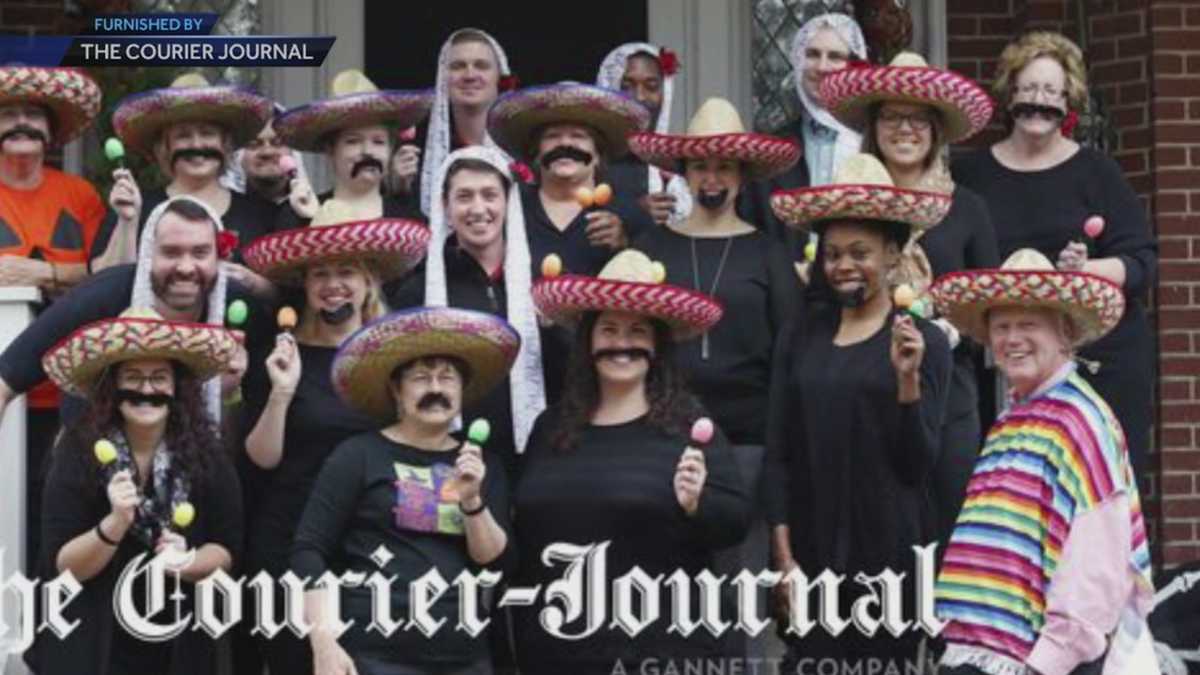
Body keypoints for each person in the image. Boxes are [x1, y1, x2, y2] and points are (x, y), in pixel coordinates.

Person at [515, 248, 748, 673]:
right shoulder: (551, 426)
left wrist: (699, 503)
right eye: (608, 329)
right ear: (588, 342)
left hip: (661, 650)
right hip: (557, 650)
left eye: (637, 330)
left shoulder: (690, 426)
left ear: (657, 345)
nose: (621, 343)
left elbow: (733, 523)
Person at [766, 153, 953, 668]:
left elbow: (918, 465)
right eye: (831, 254)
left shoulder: (924, 341)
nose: (843, 265)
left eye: (860, 252)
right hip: (811, 553)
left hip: (889, 559)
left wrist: (908, 379)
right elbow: (779, 452)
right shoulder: (799, 337)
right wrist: (783, 559)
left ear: (893, 253)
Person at [929, 249, 1155, 675]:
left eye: (1028, 324)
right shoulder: (1015, 417)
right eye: (1001, 326)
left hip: (1035, 663)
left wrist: (1049, 661)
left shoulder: (1080, 422)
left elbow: (1095, 564)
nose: (1011, 339)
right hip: (981, 650)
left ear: (1064, 334)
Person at [629, 97, 799, 654]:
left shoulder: (770, 252)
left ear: (741, 175)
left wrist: (779, 450)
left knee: (739, 598)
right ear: (684, 174)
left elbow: (788, 356)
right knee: (666, 597)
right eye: (701, 166)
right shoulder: (654, 245)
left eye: (724, 167)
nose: (712, 177)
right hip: (663, 440)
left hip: (746, 446)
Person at [951, 32, 1157, 481]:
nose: (1038, 101)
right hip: (1003, 359)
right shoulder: (969, 174)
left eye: (1051, 91)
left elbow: (1142, 262)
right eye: (1028, 89)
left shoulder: (1097, 171)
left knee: (1096, 487)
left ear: (1069, 101)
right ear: (1010, 94)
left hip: (1099, 361)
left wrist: (1084, 271)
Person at [237, 198, 428, 674]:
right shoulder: (279, 355)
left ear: (369, 280)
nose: (332, 284)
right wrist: (282, 392)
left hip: (371, 542)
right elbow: (261, 458)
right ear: (305, 284)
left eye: (346, 271)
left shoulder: (393, 361)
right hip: (288, 539)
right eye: (320, 273)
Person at [820, 50, 1000, 545]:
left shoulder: (969, 209)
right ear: (874, 127)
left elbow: (992, 310)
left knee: (950, 532)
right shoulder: (847, 203)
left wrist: (948, 330)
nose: (905, 129)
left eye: (918, 118)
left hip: (949, 396)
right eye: (893, 117)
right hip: (864, 384)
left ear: (936, 130)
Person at [293, 306, 518, 675]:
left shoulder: (480, 463)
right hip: (372, 653)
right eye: (420, 378)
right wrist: (323, 643)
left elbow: (496, 563)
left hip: (463, 655)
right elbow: (308, 551)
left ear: (462, 390)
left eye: (447, 378)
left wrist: (473, 500)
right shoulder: (358, 455)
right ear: (396, 390)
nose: (435, 388)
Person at [32, 307, 243, 675]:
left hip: (178, 645)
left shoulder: (208, 451)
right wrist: (114, 524)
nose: (147, 389)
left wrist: (187, 562)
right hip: (90, 645)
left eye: (159, 377)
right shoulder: (77, 450)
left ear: (177, 387)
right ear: (112, 388)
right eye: (133, 376)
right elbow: (62, 567)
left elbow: (226, 551)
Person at [0, 195, 269, 428]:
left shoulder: (240, 308)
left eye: (200, 253)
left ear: (220, 257)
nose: (186, 267)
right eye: (171, 252)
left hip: (195, 462)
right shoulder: (102, 297)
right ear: (147, 256)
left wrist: (230, 394)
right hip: (92, 461)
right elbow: (5, 380)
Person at [0, 64, 105, 573]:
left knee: (52, 515)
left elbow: (103, 277)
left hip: (64, 389)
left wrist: (36, 269)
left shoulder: (79, 196)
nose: (21, 123)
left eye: (33, 116)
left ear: (51, 131)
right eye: (10, 114)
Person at [391, 146, 545, 470]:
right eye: (464, 197)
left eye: (490, 194)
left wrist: (554, 328)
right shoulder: (419, 291)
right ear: (446, 208)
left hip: (538, 461)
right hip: (448, 462)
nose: (478, 208)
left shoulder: (542, 285)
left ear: (507, 202)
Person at [94, 73, 277, 299]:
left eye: (207, 134)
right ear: (164, 148)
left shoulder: (262, 214)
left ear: (226, 144)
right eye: (183, 136)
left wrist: (252, 282)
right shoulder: (134, 207)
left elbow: (288, 296)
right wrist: (127, 223)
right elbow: (102, 286)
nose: (197, 144)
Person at [487, 82, 654, 277]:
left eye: (578, 136)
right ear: (536, 152)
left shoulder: (628, 214)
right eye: (552, 136)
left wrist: (623, 245)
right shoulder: (511, 207)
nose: (565, 143)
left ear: (598, 154)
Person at [740, 11, 867, 249]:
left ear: (853, 66)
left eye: (835, 56)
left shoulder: (874, 140)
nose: (822, 66)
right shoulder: (772, 151)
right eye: (812, 54)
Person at [274, 69, 432, 230]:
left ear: (390, 150)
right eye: (353, 141)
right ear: (330, 149)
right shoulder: (298, 217)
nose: (367, 151)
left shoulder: (411, 223)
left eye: (378, 142)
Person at [396, 28, 517, 215]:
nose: (469, 75)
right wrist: (400, 190)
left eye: (481, 65)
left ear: (500, 79)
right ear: (442, 78)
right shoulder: (417, 157)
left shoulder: (524, 149)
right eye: (458, 66)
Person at [595, 42, 693, 225]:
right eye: (626, 86)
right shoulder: (592, 161)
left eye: (651, 86)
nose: (639, 97)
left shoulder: (678, 163)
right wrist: (635, 213)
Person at [220, 106, 311, 206]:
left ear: (293, 152)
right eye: (253, 144)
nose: (267, 152)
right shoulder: (216, 216)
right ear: (236, 156)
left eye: (277, 143)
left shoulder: (316, 214)